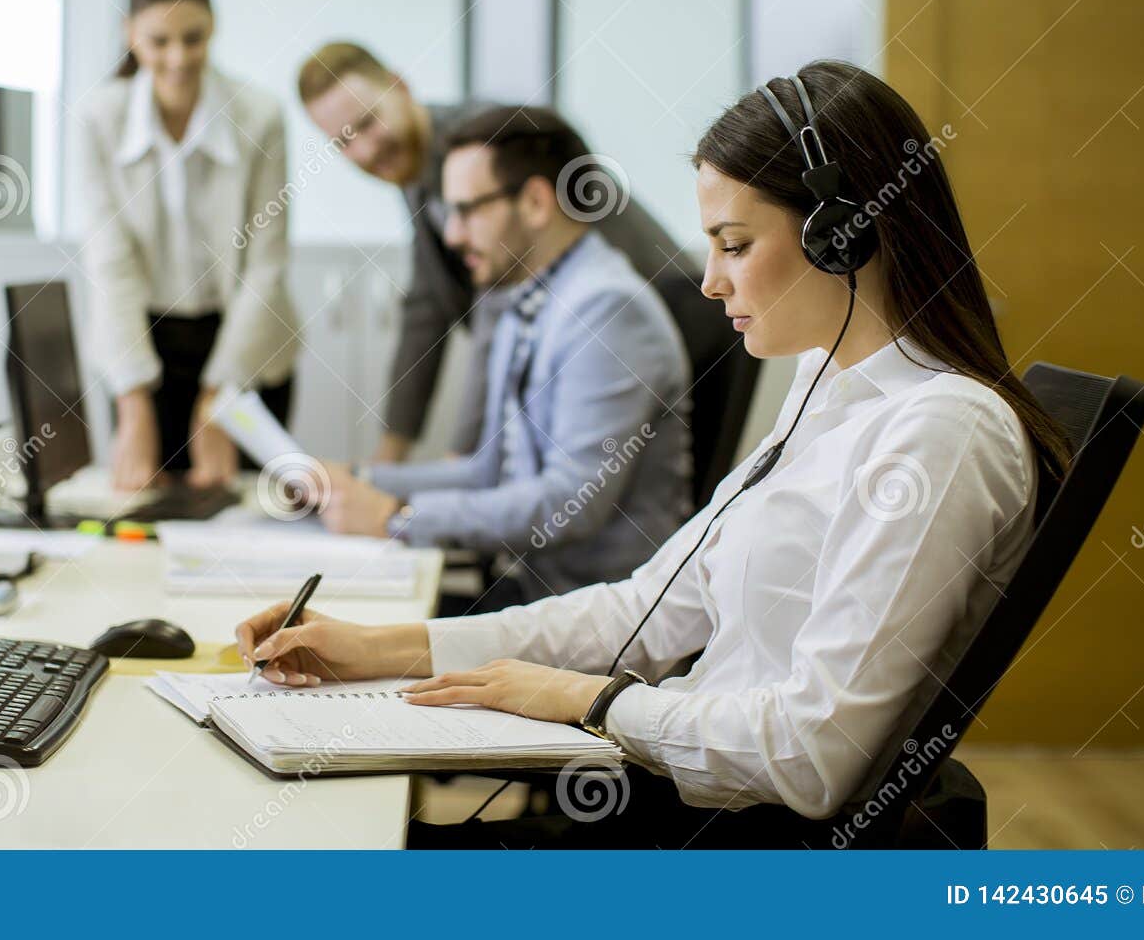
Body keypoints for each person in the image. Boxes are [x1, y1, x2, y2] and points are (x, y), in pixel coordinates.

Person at [236, 61, 1072, 847]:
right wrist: (377, 646)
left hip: (728, 840)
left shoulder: (942, 432)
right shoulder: (828, 386)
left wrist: (591, 701)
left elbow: (816, 757)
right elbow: (641, 607)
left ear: (842, 235)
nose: (709, 282)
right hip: (667, 787)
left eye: (736, 244)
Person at [313, 106, 692, 606]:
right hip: (538, 595)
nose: (451, 236)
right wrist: (361, 481)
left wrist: (396, 518)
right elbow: (491, 469)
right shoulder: (521, 299)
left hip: (600, 615)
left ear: (535, 202)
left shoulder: (607, 310)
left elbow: (569, 504)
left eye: (467, 210)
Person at [298, 41, 695, 462]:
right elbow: (427, 309)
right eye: (343, 142)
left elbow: (497, 308)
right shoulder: (417, 172)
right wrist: (388, 461)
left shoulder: (484, 147)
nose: (363, 150)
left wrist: (455, 465)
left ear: (400, 86)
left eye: (368, 122)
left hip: (648, 337)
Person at [77, 0, 297, 492]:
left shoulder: (261, 115)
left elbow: (265, 266)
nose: (178, 58)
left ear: (214, 27)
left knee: (239, 509)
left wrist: (220, 395)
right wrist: (132, 401)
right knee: (145, 505)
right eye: (159, 41)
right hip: (143, 345)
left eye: (193, 39)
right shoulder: (98, 118)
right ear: (131, 36)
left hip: (245, 341)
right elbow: (111, 264)